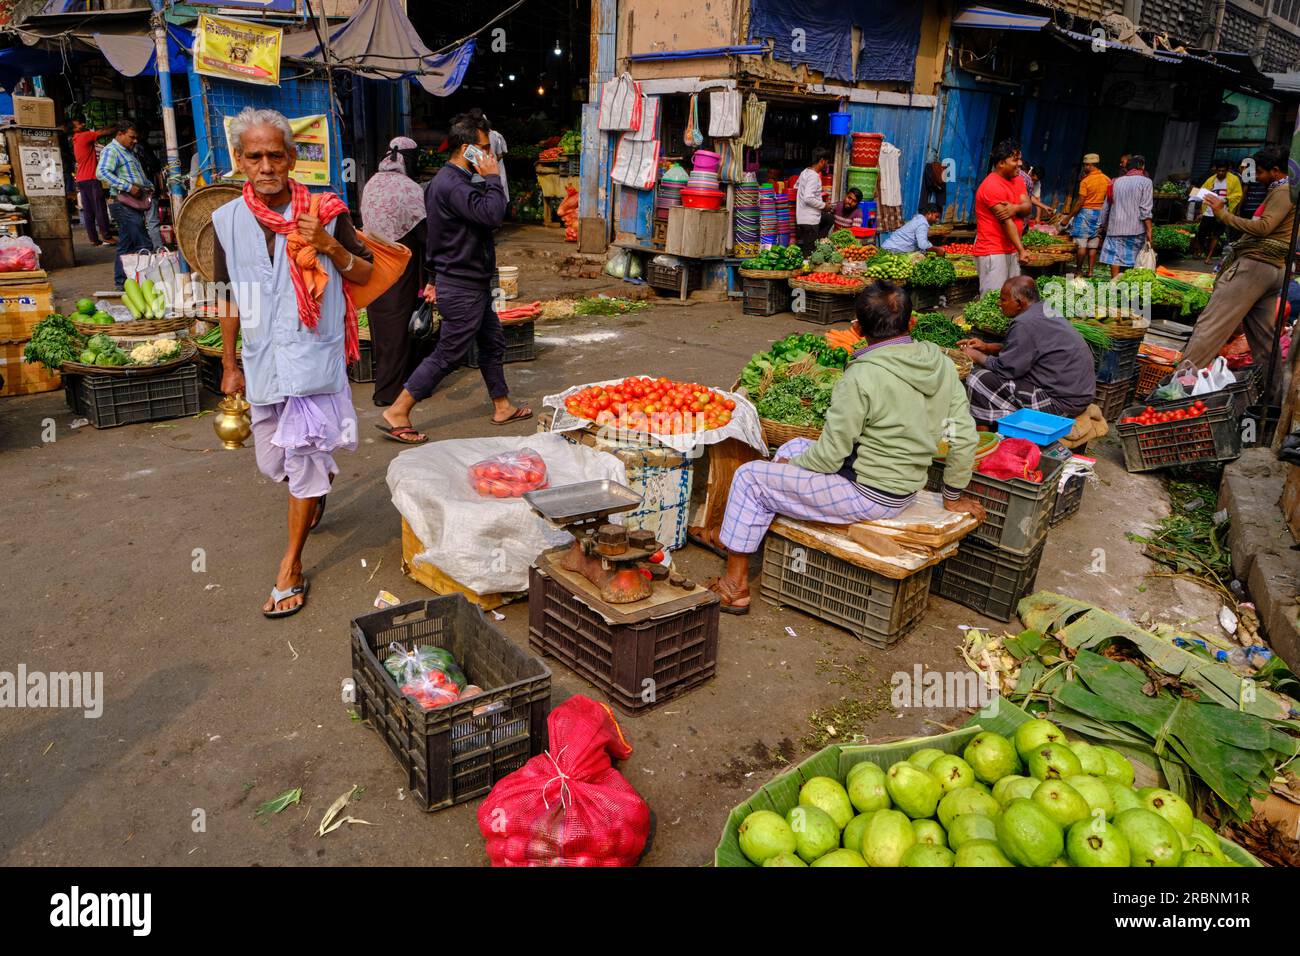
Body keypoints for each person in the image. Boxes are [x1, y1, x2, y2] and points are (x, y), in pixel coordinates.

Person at [702, 280, 984, 613]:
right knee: (792, 446)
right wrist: (952, 497)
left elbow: (831, 455)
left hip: (868, 494)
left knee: (750, 477)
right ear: (912, 323)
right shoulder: (939, 363)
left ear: (857, 329)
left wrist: (787, 470)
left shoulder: (861, 376)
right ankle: (751, 533)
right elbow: (963, 437)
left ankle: (735, 587)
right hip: (904, 487)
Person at [212, 107, 375, 618]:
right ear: (240, 161)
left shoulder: (326, 210)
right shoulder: (227, 221)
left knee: (302, 460)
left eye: (275, 155)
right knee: (271, 462)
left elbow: (365, 275)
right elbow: (228, 297)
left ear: (292, 159)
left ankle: (291, 567)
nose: (266, 166)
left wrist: (328, 245)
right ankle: (313, 492)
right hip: (262, 361)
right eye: (255, 156)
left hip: (311, 360)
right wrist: (229, 363)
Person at [378, 111, 531, 443]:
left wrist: (433, 277)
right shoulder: (452, 184)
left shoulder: (451, 182)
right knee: (449, 352)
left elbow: (438, 236)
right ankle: (399, 409)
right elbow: (492, 215)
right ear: (467, 149)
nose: (490, 155)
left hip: (469, 280)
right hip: (463, 286)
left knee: (492, 344)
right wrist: (492, 178)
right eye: (485, 148)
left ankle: (501, 405)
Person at [1184, 145, 1295, 403]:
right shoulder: (1286, 190)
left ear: (1276, 170)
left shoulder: (1282, 191)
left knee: (1210, 327)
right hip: (1272, 270)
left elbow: (1264, 227)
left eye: (1259, 172)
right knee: (1265, 341)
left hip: (1255, 267)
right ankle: (1274, 400)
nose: (1253, 176)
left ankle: (1177, 388)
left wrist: (1223, 214)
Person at [959, 277, 1097, 429]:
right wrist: (987, 347)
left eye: (1003, 300)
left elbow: (1006, 370)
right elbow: (1027, 349)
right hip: (1078, 395)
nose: (999, 303)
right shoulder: (1045, 309)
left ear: (1019, 303)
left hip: (1061, 404)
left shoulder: (1024, 323)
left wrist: (977, 356)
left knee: (977, 378)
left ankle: (991, 426)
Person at [360, 135, 429, 407]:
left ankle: (400, 384)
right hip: (400, 264)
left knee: (383, 328)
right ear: (409, 160)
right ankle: (390, 392)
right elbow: (423, 233)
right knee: (402, 327)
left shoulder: (371, 183)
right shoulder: (410, 188)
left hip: (373, 263)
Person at [95, 120, 154, 288]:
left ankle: (121, 283)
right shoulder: (112, 150)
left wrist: (149, 186)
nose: (134, 141)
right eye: (131, 137)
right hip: (124, 203)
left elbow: (137, 177)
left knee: (125, 245)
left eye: (136, 138)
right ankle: (149, 282)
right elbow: (102, 172)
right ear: (120, 134)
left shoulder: (129, 152)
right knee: (143, 243)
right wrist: (128, 186)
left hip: (134, 203)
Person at [973, 140, 1031, 293]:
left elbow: (1027, 207)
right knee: (993, 299)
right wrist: (1022, 250)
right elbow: (1007, 222)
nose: (1019, 164)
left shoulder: (1018, 179)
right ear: (1001, 163)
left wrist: (1015, 207)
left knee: (1012, 297)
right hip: (993, 250)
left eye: (1020, 159)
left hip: (1011, 248)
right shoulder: (991, 186)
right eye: (1015, 160)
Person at [1098, 153, 1153, 277]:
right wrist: (1149, 230)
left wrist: (1100, 224)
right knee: (1133, 259)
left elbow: (1106, 206)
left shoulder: (1115, 182)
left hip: (1115, 227)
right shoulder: (1146, 182)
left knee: (1115, 258)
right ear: (1141, 167)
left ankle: (1114, 284)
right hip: (1135, 229)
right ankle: (1127, 287)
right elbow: (1145, 209)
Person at [68, 118, 113, 246]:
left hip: (81, 179)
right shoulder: (84, 136)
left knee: (88, 211)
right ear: (74, 129)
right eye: (79, 123)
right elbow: (104, 132)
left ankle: (93, 238)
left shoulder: (76, 139)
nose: (83, 124)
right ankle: (106, 236)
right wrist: (119, 126)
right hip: (91, 178)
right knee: (100, 208)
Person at [1064, 153, 1109, 277]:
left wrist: (1068, 218)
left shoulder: (1086, 181)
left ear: (1090, 165)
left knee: (1082, 244)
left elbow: (1080, 202)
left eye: (1085, 165)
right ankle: (1090, 271)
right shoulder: (1106, 179)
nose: (1084, 167)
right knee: (1093, 243)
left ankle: (1078, 270)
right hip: (1099, 213)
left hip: (1085, 213)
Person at [1194, 158, 1242, 263]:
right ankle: (1201, 251)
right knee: (1202, 232)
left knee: (1216, 234)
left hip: (1222, 212)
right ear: (1216, 170)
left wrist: (1226, 200)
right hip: (1209, 211)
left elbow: (1238, 194)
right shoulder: (1211, 180)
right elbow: (1201, 192)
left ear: (1227, 170)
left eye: (1223, 171)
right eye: (1219, 170)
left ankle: (1209, 257)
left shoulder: (1234, 179)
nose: (1221, 173)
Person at [795, 146, 831, 255]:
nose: (827, 164)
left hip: (802, 217)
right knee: (808, 253)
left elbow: (796, 186)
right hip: (810, 220)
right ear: (821, 161)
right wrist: (824, 205)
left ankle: (819, 242)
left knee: (829, 218)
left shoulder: (805, 172)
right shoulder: (814, 177)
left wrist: (818, 193)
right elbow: (808, 198)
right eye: (826, 162)